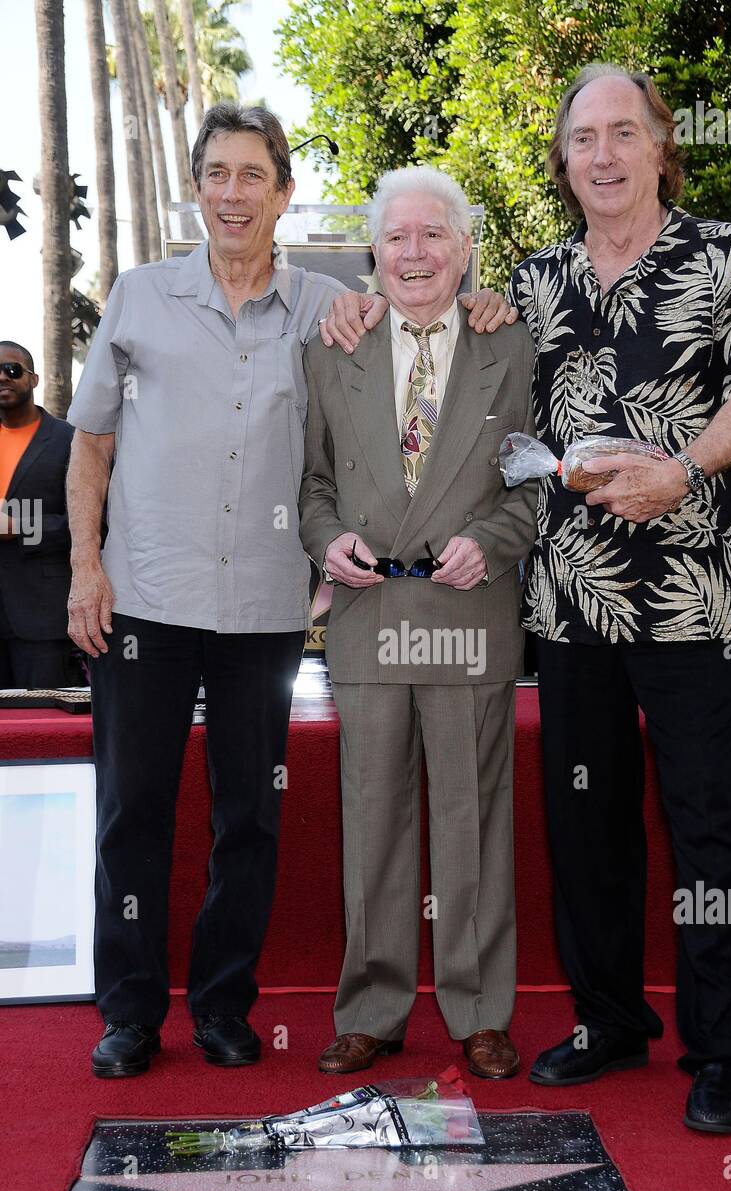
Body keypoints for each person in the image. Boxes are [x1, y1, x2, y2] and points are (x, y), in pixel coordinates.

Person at [66, 103, 514, 1079]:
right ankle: (130, 1013)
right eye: (217, 175)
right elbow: (90, 443)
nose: (233, 194)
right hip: (143, 597)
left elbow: (418, 319)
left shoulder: (326, 309)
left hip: (265, 610)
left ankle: (224, 1004)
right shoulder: (138, 298)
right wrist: (84, 569)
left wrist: (483, 301)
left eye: (252, 177)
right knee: (130, 812)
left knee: (249, 816)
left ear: (283, 194)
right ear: (197, 188)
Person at [507, 65, 731, 1131]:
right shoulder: (532, 280)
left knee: (705, 823)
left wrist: (681, 469)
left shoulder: (730, 255)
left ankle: (722, 1045)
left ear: (658, 145)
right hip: (569, 604)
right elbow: (487, 405)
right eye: (582, 137)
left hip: (695, 596)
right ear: (563, 157)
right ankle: (605, 1019)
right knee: (584, 820)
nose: (602, 154)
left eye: (622, 133)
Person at [299, 167, 538, 1080]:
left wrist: (492, 541)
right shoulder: (332, 349)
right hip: (367, 616)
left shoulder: (509, 344)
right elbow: (312, 487)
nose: (413, 253)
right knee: (373, 818)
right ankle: (372, 1009)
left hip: (468, 614)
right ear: (373, 251)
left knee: (473, 816)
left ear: (464, 249)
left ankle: (480, 1011)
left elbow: (532, 478)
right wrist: (326, 543)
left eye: (432, 235)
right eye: (395, 237)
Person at [0, 342, 77, 688]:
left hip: (41, 618)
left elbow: (93, 523)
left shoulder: (69, 441)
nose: (3, 377)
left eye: (12, 370)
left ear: (33, 379)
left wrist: (20, 526)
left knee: (42, 726)